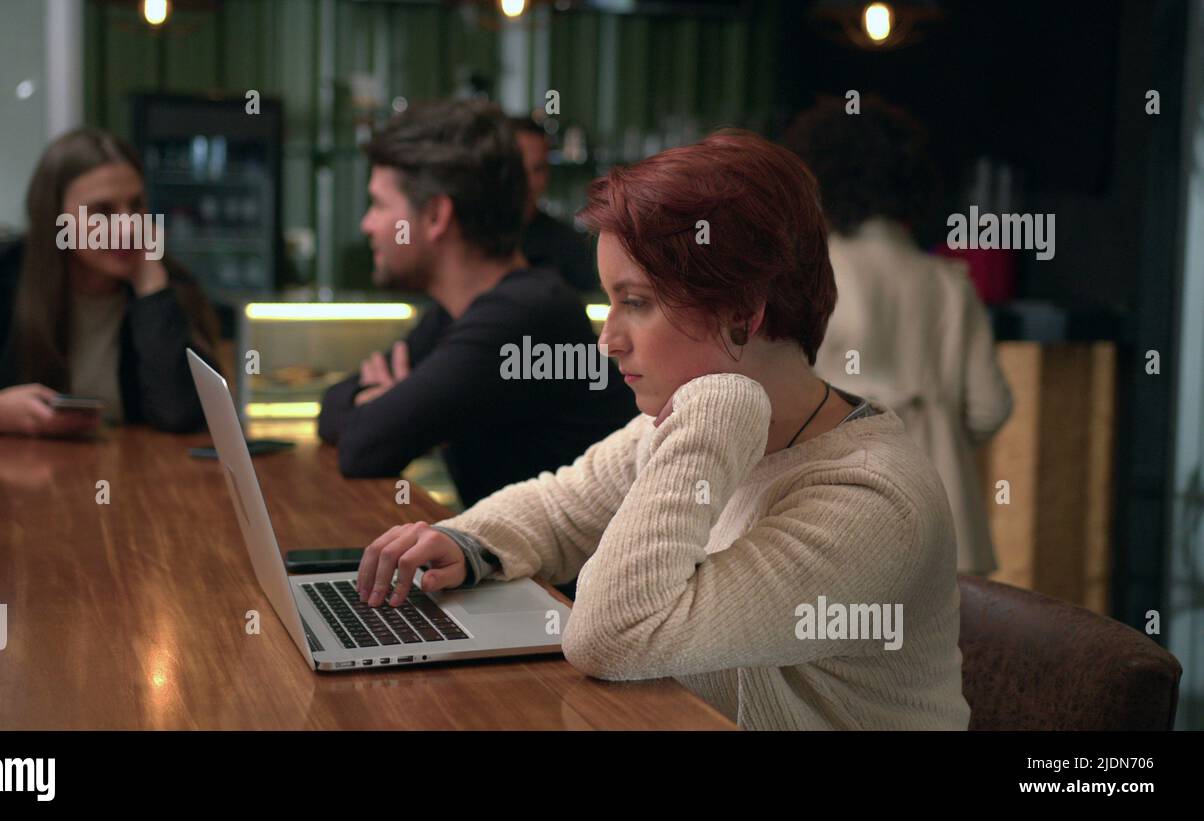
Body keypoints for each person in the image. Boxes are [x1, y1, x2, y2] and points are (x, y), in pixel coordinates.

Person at [350, 129, 972, 731]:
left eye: (637, 302)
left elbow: (612, 636)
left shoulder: (871, 500)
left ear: (740, 315)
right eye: (610, 301)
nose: (608, 339)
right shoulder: (683, 424)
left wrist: (720, 404)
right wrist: (467, 543)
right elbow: (560, 508)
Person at [317, 100, 637, 514]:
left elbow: (363, 449)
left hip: (565, 580)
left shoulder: (522, 315)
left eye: (379, 205)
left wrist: (387, 410)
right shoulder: (457, 312)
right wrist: (378, 406)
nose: (367, 225)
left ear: (436, 216)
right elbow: (331, 405)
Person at [782, 97, 1013, 576]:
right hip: (946, 522)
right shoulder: (949, 284)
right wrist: (936, 433)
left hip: (836, 520)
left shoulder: (806, 278)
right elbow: (992, 406)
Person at [0, 127, 221, 436]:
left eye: (136, 205)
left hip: (139, 480)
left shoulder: (167, 284)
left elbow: (181, 414)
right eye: (102, 211)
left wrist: (151, 292)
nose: (128, 227)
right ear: (54, 216)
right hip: (12, 478)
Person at [510, 116, 599, 293]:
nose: (529, 182)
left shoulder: (569, 246)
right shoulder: (469, 239)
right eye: (518, 168)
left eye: (538, 169)